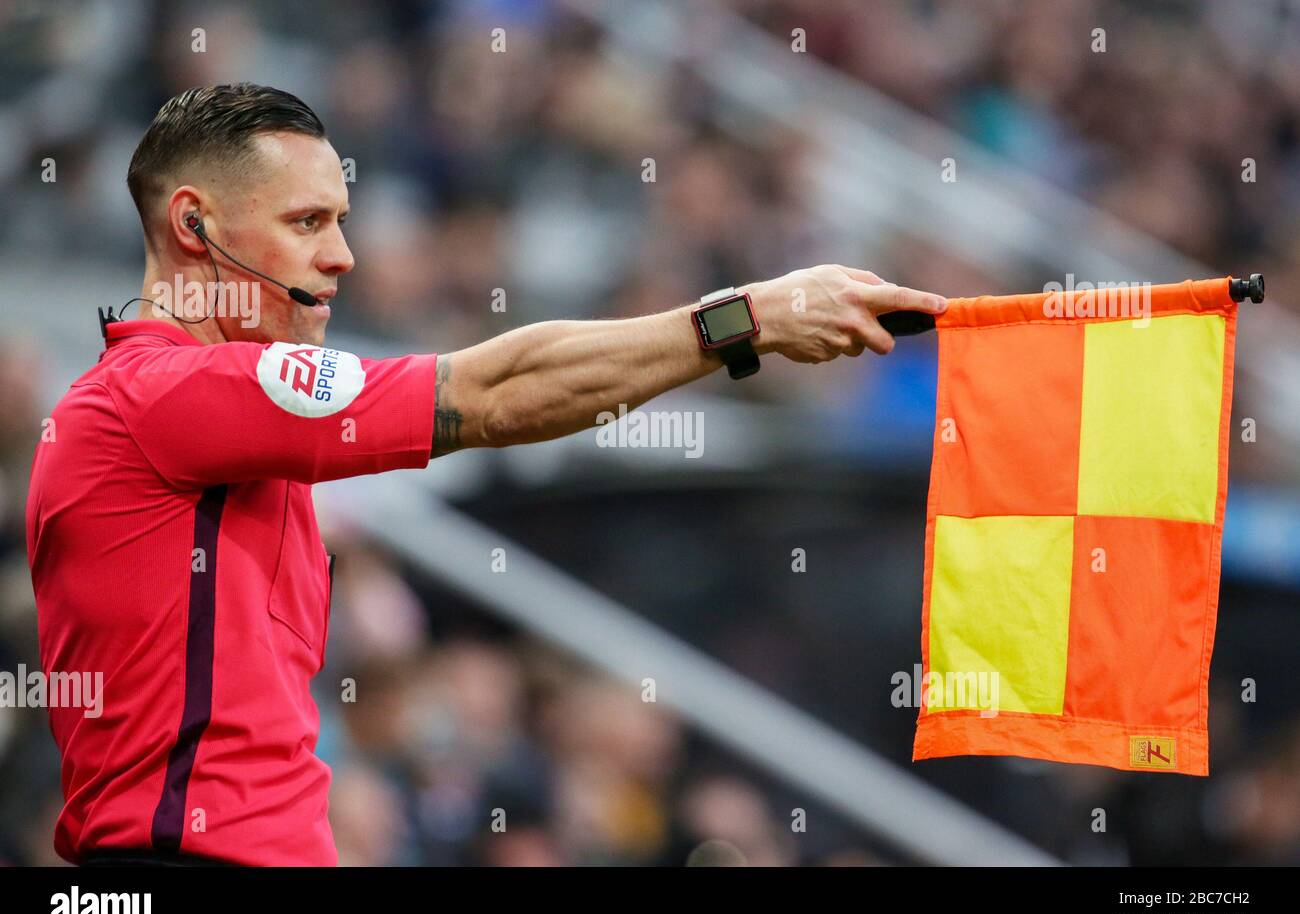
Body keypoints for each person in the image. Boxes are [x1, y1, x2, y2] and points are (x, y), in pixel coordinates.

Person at [25, 82, 947, 866]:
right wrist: (745, 318)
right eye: (306, 224)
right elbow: (495, 392)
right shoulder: (165, 394)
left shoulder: (196, 429)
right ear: (194, 224)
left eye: (341, 222)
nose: (342, 257)